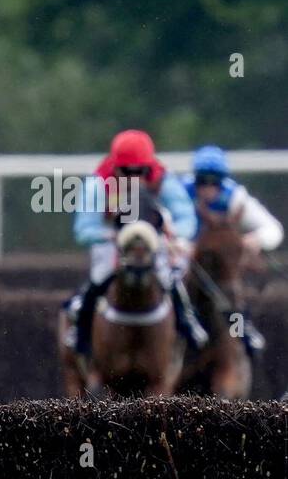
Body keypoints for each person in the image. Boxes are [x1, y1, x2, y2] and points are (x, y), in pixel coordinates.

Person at [66, 129, 207, 355]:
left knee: (170, 279)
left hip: (154, 245)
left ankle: (188, 324)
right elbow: (84, 229)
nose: (133, 179)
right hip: (113, 246)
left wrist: (171, 235)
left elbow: (187, 219)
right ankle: (80, 331)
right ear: (114, 168)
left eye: (139, 172)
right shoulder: (98, 184)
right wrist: (110, 236)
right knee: (100, 276)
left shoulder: (164, 182)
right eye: (126, 172)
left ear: (149, 168)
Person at [183, 145, 282, 356]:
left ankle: (241, 334)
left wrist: (254, 240)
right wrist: (182, 246)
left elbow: (273, 229)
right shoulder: (181, 193)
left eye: (214, 182)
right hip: (187, 260)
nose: (208, 188)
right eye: (202, 181)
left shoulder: (236, 198)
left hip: (220, 269)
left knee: (232, 294)